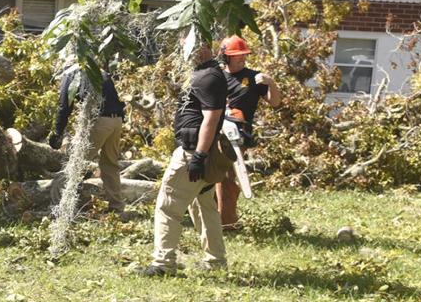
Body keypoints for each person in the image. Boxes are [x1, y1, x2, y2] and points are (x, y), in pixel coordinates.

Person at [140, 40, 228, 276]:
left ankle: (163, 264)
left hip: (193, 153)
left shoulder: (209, 76)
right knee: (204, 207)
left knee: (168, 206)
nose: (184, 50)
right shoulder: (204, 74)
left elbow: (211, 119)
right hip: (199, 151)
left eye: (188, 46)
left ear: (203, 47)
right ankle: (216, 261)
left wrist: (199, 155)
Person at [215, 34, 280, 230]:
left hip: (237, 135)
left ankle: (226, 222)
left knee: (226, 178)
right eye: (237, 55)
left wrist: (271, 82)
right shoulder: (216, 77)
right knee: (208, 175)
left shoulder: (254, 78)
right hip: (213, 131)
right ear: (226, 57)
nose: (241, 58)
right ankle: (210, 218)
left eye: (243, 54)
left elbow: (275, 102)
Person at [47, 68, 128, 214]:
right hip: (116, 120)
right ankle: (117, 207)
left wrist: (57, 132)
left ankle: (62, 207)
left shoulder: (71, 74)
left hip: (100, 121)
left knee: (75, 163)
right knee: (110, 165)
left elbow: (64, 106)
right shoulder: (99, 71)